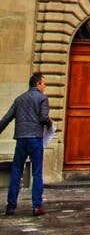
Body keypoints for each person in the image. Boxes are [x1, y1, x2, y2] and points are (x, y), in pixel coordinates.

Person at [0, 72, 52, 216]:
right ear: (38, 84)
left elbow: (6, 118)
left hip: (21, 139)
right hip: (35, 138)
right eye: (44, 83)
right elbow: (43, 117)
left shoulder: (19, 99)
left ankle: (11, 206)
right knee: (37, 172)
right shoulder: (42, 98)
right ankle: (36, 206)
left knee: (16, 172)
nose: (45, 86)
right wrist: (50, 124)